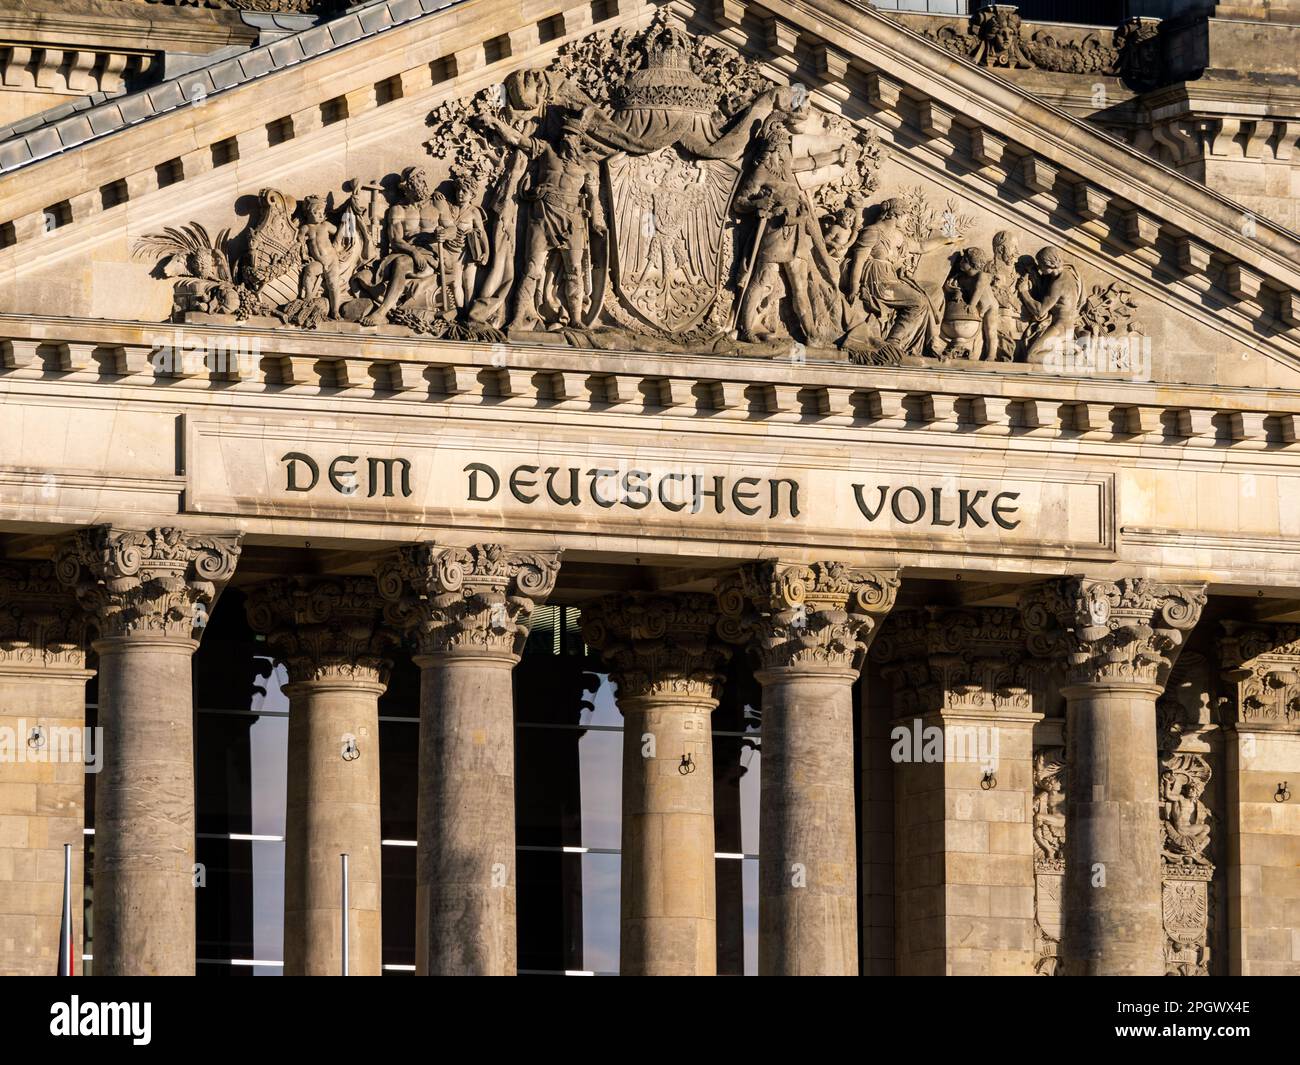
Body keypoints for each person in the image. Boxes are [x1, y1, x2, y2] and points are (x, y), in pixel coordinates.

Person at [475, 113, 606, 330]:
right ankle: (517, 318)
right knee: (531, 268)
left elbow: (593, 198)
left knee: (574, 269)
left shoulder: (588, 166)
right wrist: (495, 123)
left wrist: (597, 222)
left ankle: (575, 319)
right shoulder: (547, 151)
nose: (566, 139)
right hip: (543, 216)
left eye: (572, 136)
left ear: (579, 139)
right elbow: (517, 139)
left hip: (573, 221)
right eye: (564, 135)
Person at [1018, 245, 1081, 363]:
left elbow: (1040, 311)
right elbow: (1046, 291)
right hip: (1064, 326)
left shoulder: (1059, 284)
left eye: (1041, 264)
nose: (1040, 268)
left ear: (1050, 263)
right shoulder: (1066, 273)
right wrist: (1033, 272)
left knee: (1031, 356)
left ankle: (1071, 359)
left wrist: (1023, 292)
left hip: (1061, 328)